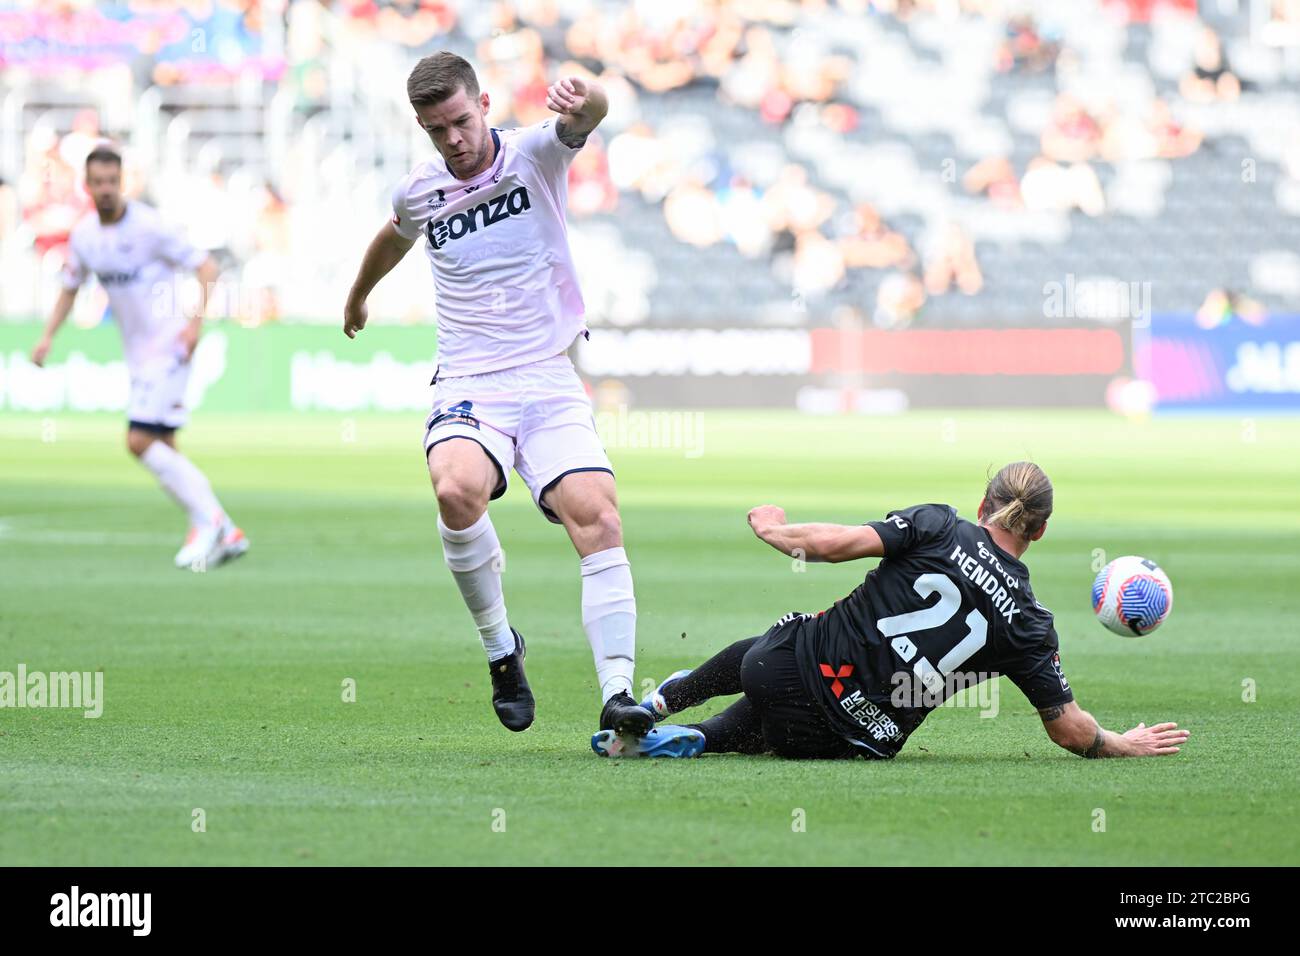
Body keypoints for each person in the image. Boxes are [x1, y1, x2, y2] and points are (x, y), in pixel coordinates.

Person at [341, 52, 652, 739]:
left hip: (546, 374)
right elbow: (393, 239)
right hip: (469, 380)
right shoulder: (418, 191)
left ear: (483, 105)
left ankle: (618, 693)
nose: (453, 139)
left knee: (596, 514)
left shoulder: (536, 155)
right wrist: (359, 295)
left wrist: (588, 92)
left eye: (459, 121)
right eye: (436, 130)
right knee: (455, 489)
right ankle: (501, 650)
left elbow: (594, 113)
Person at [594, 462, 1190, 761]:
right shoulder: (1031, 623)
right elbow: (1067, 727)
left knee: (784, 644)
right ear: (1042, 528)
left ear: (984, 502)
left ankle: (655, 704)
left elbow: (832, 547)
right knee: (756, 729)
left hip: (784, 670)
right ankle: (683, 739)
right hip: (856, 739)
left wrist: (774, 530)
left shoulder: (936, 524)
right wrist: (1120, 743)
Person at [31, 144, 247, 572]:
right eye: (99, 182)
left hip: (169, 347)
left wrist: (194, 325)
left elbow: (207, 268)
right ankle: (207, 527)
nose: (107, 189)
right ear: (87, 185)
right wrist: (48, 336)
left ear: (122, 181)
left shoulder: (149, 227)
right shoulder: (86, 236)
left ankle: (218, 524)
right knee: (164, 445)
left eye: (113, 181)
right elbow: (70, 286)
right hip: (138, 355)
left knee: (138, 440)